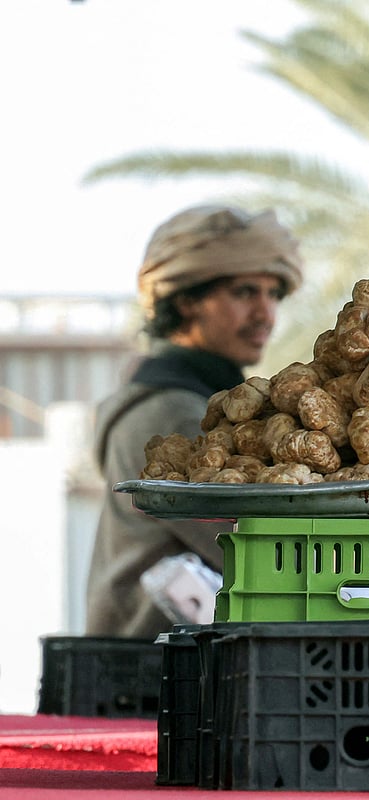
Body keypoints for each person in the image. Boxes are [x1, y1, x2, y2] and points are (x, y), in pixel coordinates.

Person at [85, 204, 303, 638]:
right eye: (244, 292)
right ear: (186, 300)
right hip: (151, 676)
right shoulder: (173, 415)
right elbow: (255, 553)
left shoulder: (193, 401)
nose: (265, 314)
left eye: (273, 294)